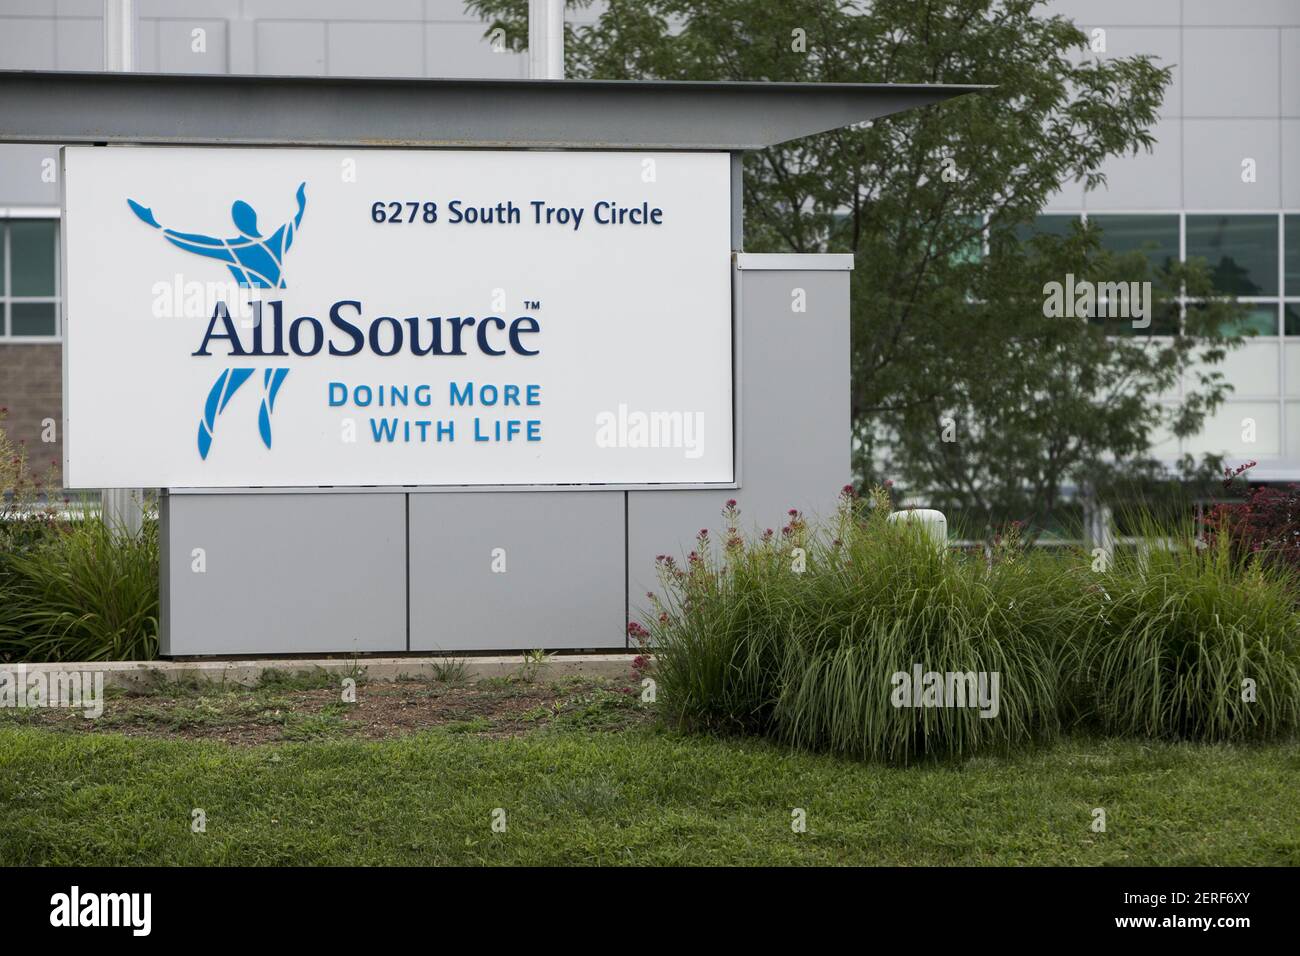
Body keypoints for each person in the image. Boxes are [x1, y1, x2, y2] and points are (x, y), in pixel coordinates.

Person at [127, 182, 307, 289]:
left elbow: (192, 243)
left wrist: (157, 226)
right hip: (261, 304)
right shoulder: (275, 243)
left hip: (258, 303)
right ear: (255, 219)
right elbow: (294, 222)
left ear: (236, 223)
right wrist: (301, 204)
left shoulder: (231, 248)